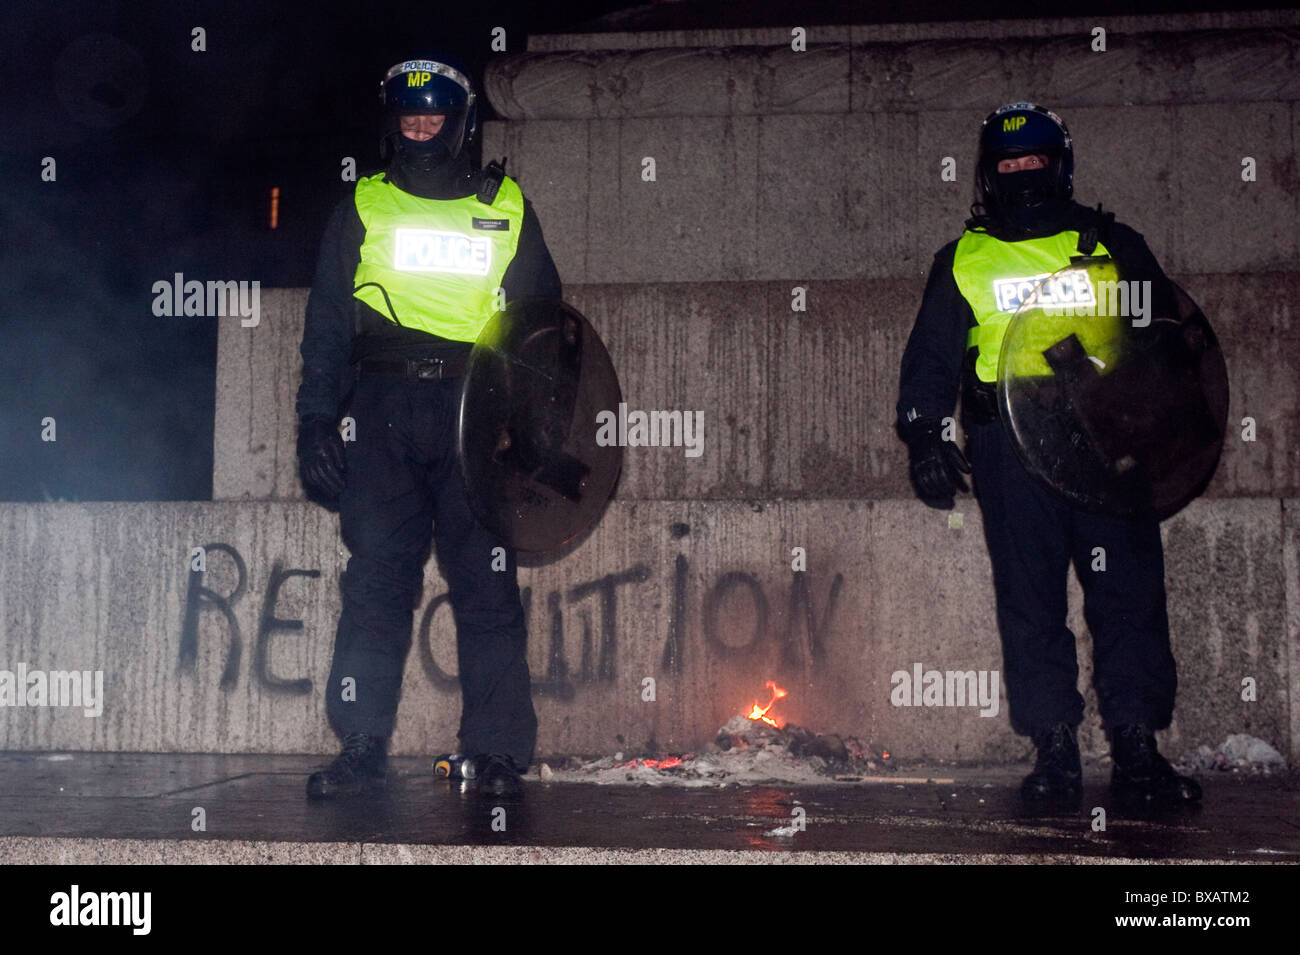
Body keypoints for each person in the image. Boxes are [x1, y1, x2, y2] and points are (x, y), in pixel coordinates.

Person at [896, 102, 1202, 809]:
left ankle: (1136, 748)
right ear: (987, 175)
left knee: (1127, 596)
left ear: (1059, 165)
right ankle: (1054, 751)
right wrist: (926, 435)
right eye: (1008, 165)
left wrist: (1164, 415)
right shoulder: (962, 260)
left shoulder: (1111, 241)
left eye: (1033, 161)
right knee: (1030, 602)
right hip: (1009, 446)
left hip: (1107, 441)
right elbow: (930, 364)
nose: (1021, 173)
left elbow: (1167, 339)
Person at [296, 56, 561, 798]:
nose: (419, 130)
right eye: (407, 119)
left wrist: (535, 427)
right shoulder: (364, 204)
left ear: (460, 122)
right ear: (391, 123)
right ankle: (360, 743)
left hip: (472, 411)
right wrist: (316, 419)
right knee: (376, 582)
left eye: (432, 118)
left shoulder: (504, 203)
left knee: (486, 585)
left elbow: (543, 331)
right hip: (380, 411)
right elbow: (326, 325)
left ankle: (499, 751)